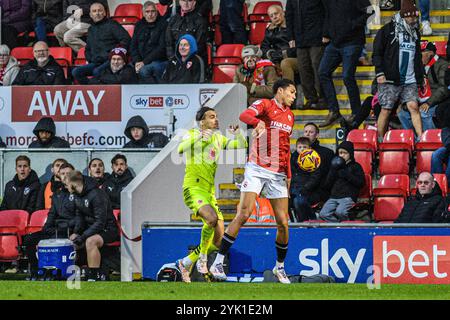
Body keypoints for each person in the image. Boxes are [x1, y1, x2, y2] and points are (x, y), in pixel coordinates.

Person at [210, 79, 297, 284]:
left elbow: (286, 147)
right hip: (257, 168)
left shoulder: (291, 116)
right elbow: (244, 115)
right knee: (244, 213)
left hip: (278, 173)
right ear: (280, 91)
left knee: (283, 223)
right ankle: (218, 261)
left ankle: (280, 267)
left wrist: (289, 175)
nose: (294, 96)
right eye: (292, 92)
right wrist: (256, 122)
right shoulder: (265, 104)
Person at [175, 107, 247, 283]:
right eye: (212, 117)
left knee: (217, 239)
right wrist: (199, 137)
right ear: (202, 122)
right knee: (211, 219)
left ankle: (186, 262)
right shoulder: (191, 134)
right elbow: (180, 149)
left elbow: (241, 145)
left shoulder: (218, 138)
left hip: (209, 193)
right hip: (193, 188)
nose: (216, 120)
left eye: (216, 116)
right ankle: (202, 259)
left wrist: (237, 134)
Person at [373, 0, 424, 139]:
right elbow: (377, 53)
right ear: (403, 16)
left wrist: (421, 76)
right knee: (386, 110)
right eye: (411, 17)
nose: (413, 20)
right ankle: (380, 141)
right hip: (390, 78)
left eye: (415, 17)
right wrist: (379, 72)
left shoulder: (415, 33)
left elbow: (417, 57)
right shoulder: (387, 30)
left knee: (413, 106)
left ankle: (421, 139)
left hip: (409, 79)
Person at [319, 0, 373, 128]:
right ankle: (334, 111)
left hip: (353, 42)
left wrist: (352, 25)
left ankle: (356, 112)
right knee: (322, 72)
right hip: (335, 43)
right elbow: (328, 15)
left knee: (347, 76)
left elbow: (371, 13)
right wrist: (326, 33)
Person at [23, 162, 78, 277]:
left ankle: (63, 270)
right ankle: (36, 271)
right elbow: (52, 214)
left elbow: (80, 217)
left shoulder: (80, 192)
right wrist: (47, 229)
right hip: (55, 229)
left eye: (68, 173)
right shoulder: (57, 194)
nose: (66, 176)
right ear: (59, 176)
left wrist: (64, 228)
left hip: (72, 230)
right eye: (63, 173)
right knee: (29, 239)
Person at [66, 170, 119, 281]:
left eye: (66, 184)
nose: (66, 187)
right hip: (91, 229)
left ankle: (93, 277)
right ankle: (69, 275)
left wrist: (83, 236)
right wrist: (76, 233)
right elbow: (79, 216)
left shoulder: (97, 195)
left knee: (91, 241)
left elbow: (100, 222)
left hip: (108, 229)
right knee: (70, 241)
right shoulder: (77, 195)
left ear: (73, 184)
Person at [72, 2, 131, 85]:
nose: (97, 13)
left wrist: (114, 55)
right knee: (76, 72)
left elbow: (125, 39)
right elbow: (87, 49)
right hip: (95, 62)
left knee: (97, 72)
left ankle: (95, 90)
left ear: (104, 13)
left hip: (110, 61)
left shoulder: (112, 25)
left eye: (100, 11)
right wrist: (90, 59)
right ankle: (90, 88)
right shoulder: (91, 29)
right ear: (90, 14)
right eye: (94, 11)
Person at [398, 41, 450, 133]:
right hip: (421, 100)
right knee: (403, 114)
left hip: (437, 101)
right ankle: (413, 139)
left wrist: (429, 103)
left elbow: (444, 88)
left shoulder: (442, 65)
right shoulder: (418, 66)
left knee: (424, 113)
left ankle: (431, 138)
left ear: (430, 53)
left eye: (420, 53)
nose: (417, 56)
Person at [286, 0, 325, 109]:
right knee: (303, 70)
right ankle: (311, 99)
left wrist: (326, 33)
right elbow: (289, 16)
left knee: (317, 68)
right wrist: (290, 37)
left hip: (317, 38)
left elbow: (327, 13)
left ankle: (323, 99)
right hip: (300, 40)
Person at [319, 141, 365, 222]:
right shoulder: (334, 166)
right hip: (334, 197)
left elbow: (361, 183)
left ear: (350, 154)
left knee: (340, 212)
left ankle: (346, 227)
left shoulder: (356, 166)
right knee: (323, 214)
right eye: (340, 153)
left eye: (345, 153)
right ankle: (338, 227)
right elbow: (327, 185)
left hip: (348, 197)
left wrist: (347, 175)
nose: (342, 155)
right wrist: (332, 172)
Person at [131, 1, 168, 84]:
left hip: (159, 60)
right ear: (143, 13)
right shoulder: (139, 25)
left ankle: (154, 93)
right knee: (127, 71)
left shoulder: (164, 24)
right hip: (141, 60)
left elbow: (162, 48)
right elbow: (133, 46)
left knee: (144, 71)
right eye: (147, 12)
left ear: (157, 12)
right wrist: (137, 61)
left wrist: (144, 62)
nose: (150, 14)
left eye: (153, 11)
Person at [261, 5, 298, 83]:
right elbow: (264, 48)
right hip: (276, 60)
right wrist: (271, 55)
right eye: (271, 16)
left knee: (285, 63)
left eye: (276, 13)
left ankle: (287, 91)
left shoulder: (294, 26)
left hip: (295, 58)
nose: (274, 17)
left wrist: (282, 55)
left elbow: (298, 47)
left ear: (283, 13)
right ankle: (272, 91)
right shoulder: (269, 30)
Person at [290, 137, 321, 222]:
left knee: (298, 201)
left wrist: (306, 187)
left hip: (307, 190)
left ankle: (308, 219)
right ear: (296, 148)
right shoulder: (292, 158)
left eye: (304, 147)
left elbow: (316, 177)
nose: (302, 149)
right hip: (292, 189)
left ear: (310, 149)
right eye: (300, 147)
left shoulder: (313, 159)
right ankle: (293, 221)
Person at [303, 122, 334, 201]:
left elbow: (329, 176)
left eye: (311, 132)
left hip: (319, 191)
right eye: (306, 132)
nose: (307, 134)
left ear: (317, 135)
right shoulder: (297, 153)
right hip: (301, 189)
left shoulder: (327, 153)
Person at [431, 113, 450, 188]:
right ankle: (436, 182)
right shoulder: (447, 125)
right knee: (436, 154)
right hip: (449, 148)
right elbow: (446, 141)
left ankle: (446, 185)